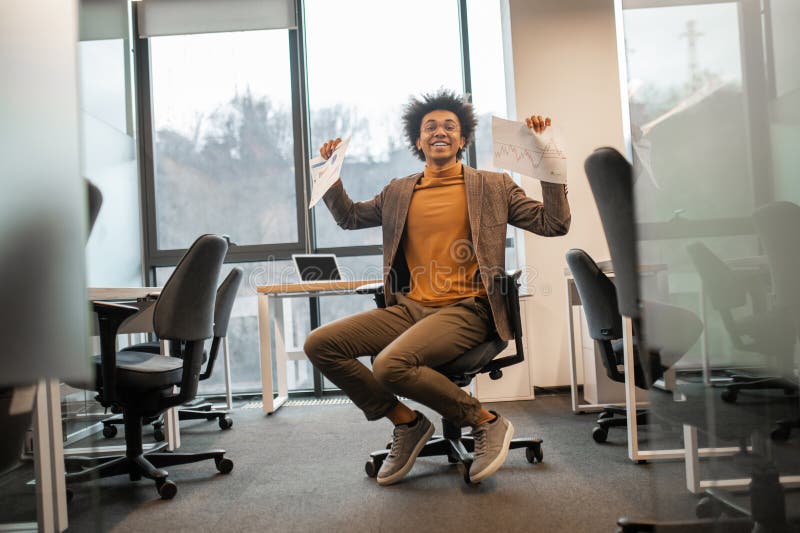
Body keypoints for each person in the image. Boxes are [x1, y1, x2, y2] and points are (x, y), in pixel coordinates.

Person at [304, 89, 571, 486]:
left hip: (469, 309)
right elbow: (349, 217)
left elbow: (555, 223)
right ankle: (406, 423)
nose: (440, 131)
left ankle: (485, 421)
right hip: (411, 308)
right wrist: (329, 174)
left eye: (450, 126)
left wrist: (549, 160)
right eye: (430, 127)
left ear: (463, 140)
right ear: (418, 140)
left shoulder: (494, 186)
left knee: (389, 365)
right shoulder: (398, 191)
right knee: (320, 344)